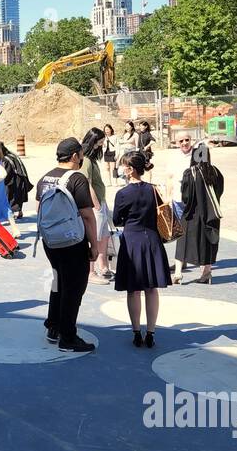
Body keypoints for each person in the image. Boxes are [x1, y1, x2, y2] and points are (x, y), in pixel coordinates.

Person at [35, 138, 99, 353]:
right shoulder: (77, 178)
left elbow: (39, 209)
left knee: (59, 280)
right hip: (72, 240)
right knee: (74, 287)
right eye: (81, 154)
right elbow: (87, 216)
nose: (82, 158)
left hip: (51, 240)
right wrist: (95, 245)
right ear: (74, 156)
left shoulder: (45, 178)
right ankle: (68, 338)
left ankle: (53, 326)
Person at [112, 150, 171, 348]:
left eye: (123, 166)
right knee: (151, 289)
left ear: (129, 170)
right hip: (152, 240)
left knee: (133, 290)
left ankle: (136, 332)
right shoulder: (153, 190)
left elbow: (116, 220)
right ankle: (151, 332)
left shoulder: (122, 194)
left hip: (131, 241)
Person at [173, 142, 224, 286]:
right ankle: (206, 273)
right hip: (211, 213)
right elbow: (219, 192)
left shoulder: (190, 172)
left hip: (193, 213)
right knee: (207, 242)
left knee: (182, 241)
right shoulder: (215, 172)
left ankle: (178, 273)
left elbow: (186, 196)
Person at [80, 128, 112, 284]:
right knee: (94, 237)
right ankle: (90, 271)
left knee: (104, 235)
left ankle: (103, 266)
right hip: (95, 204)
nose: (102, 144)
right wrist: (97, 205)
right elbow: (87, 183)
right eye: (100, 141)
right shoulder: (86, 159)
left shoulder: (91, 158)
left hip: (101, 201)